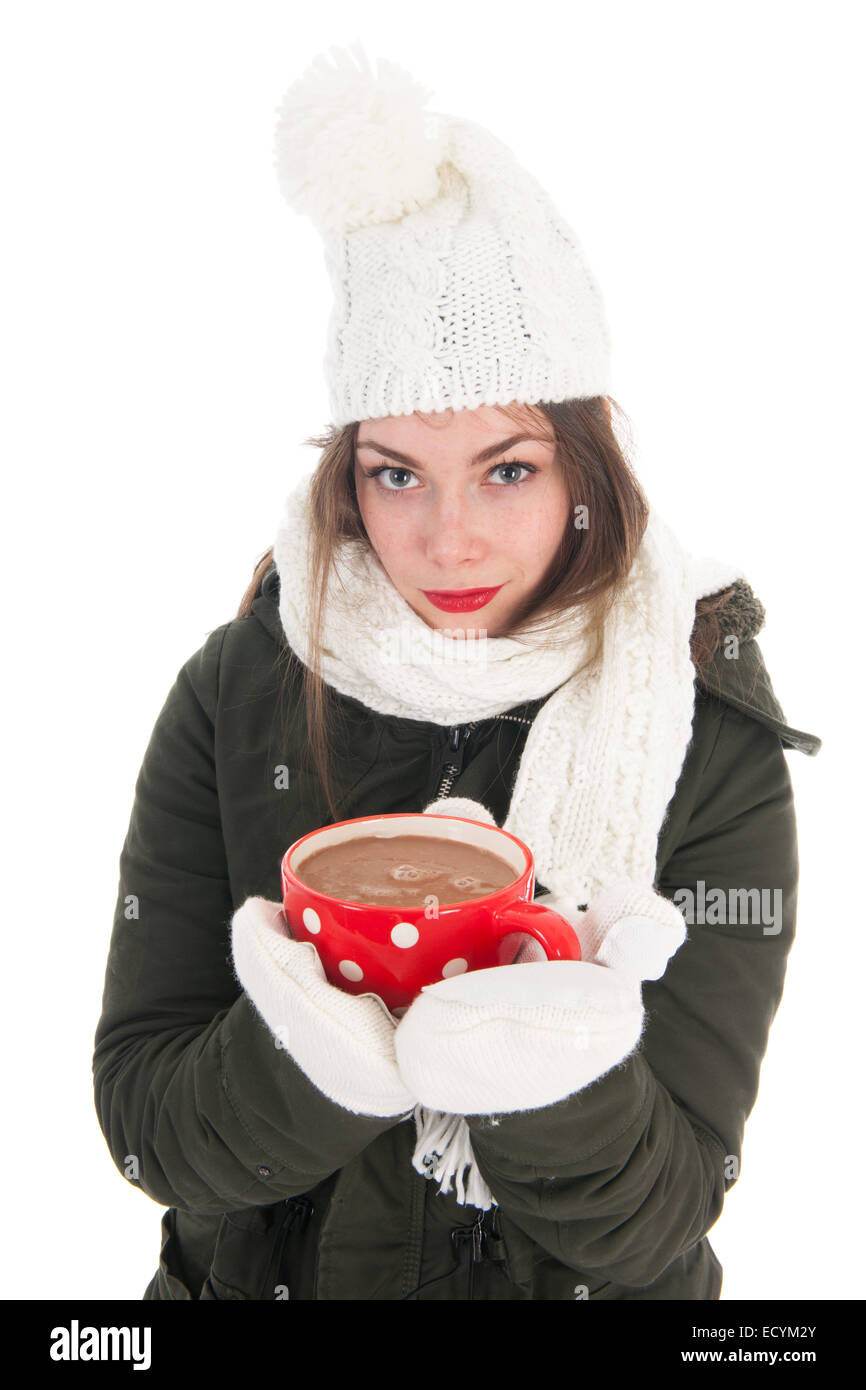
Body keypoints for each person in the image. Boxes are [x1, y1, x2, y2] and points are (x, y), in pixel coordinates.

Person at [92, 42, 821, 1301]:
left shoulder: (706, 732)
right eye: (394, 473)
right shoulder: (236, 689)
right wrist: (304, 1063)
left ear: (583, 468)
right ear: (348, 473)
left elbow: (666, 1219)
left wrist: (552, 1080)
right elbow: (145, 1126)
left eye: (507, 467)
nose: (448, 539)